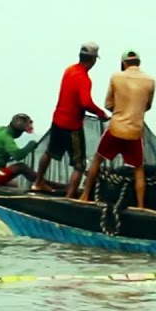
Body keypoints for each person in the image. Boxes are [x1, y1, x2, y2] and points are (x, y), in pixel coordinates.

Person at [31, 42, 109, 198]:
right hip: (72, 126)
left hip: (58, 120)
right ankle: (69, 197)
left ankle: (38, 182)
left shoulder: (69, 70)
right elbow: (85, 102)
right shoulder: (84, 78)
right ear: (93, 60)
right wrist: (100, 113)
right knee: (79, 165)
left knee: (49, 152)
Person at [79, 50, 155, 208]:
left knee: (97, 159)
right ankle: (141, 206)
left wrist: (120, 109)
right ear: (138, 63)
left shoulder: (116, 77)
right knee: (138, 169)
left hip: (116, 129)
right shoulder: (150, 80)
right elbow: (147, 106)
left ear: (124, 63)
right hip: (135, 131)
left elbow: (108, 104)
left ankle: (85, 196)